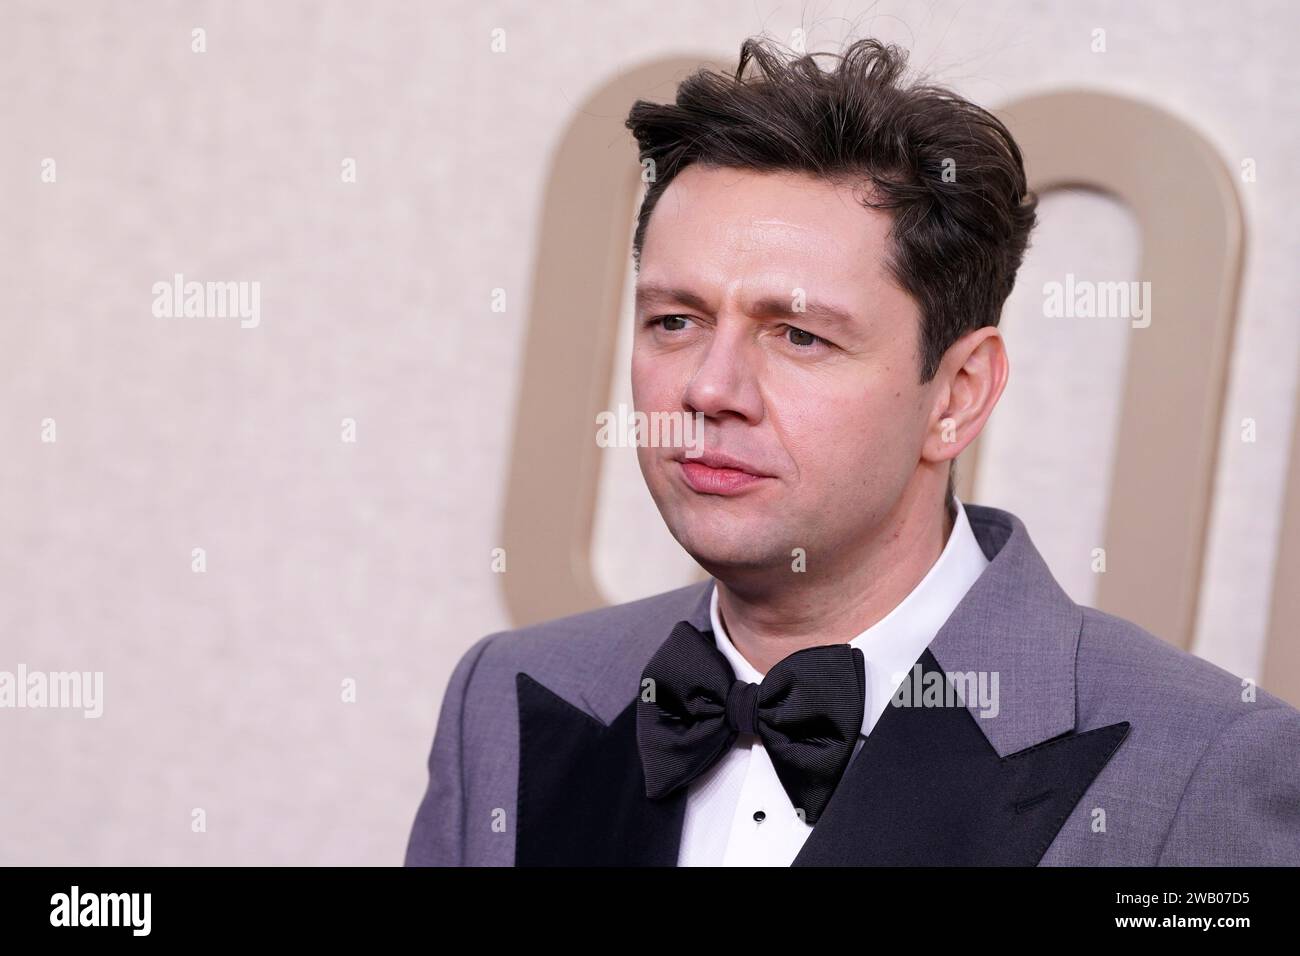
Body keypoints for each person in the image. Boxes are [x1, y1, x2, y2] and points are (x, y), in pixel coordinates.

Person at [404, 35, 1300, 866]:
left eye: (797, 335)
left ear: (957, 396)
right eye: (675, 321)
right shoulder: (508, 694)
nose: (710, 390)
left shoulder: (1207, 767)